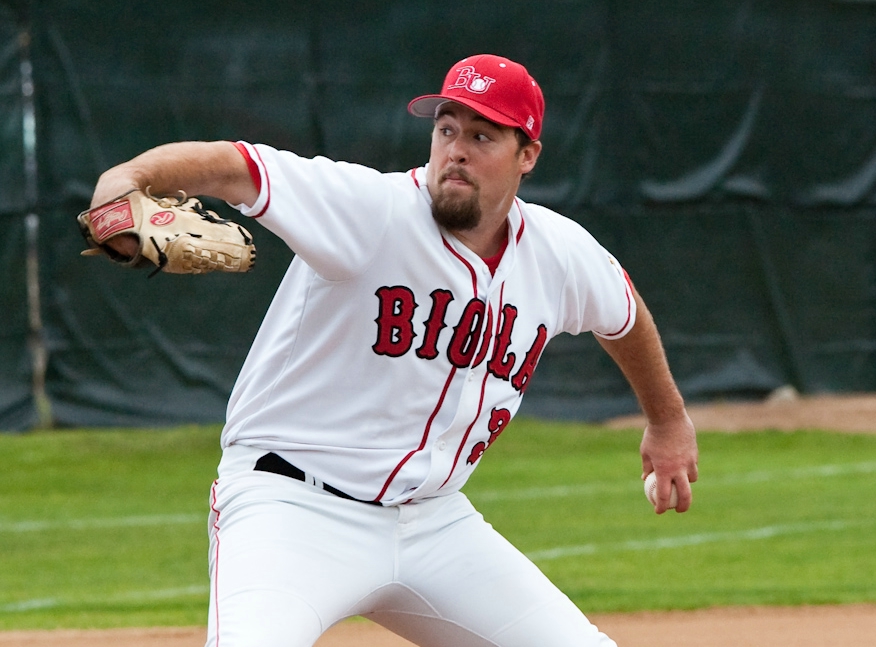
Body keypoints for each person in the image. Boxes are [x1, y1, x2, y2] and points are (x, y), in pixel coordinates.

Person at [90, 54, 698, 647]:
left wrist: (667, 420)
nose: (456, 149)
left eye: (482, 135)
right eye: (446, 129)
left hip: (433, 521)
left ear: (527, 155)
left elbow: (624, 316)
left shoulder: (558, 252)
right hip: (293, 506)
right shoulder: (370, 209)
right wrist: (122, 184)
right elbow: (230, 166)